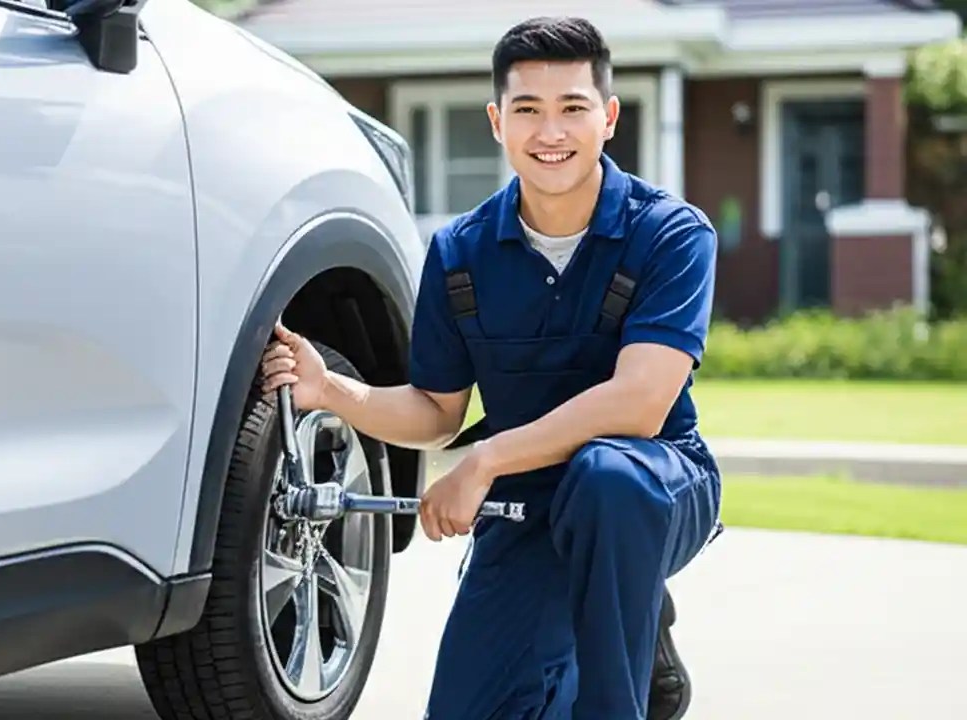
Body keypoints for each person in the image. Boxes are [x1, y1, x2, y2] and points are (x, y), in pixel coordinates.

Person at [261, 15, 721, 720]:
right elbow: (436, 413)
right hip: (526, 503)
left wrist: (485, 461)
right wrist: (334, 390)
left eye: (573, 108)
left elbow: (641, 404)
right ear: (496, 122)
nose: (551, 133)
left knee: (606, 481)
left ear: (609, 118)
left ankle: (623, 683)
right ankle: (628, 621)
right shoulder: (460, 252)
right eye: (527, 110)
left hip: (655, 484)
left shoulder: (671, 234)